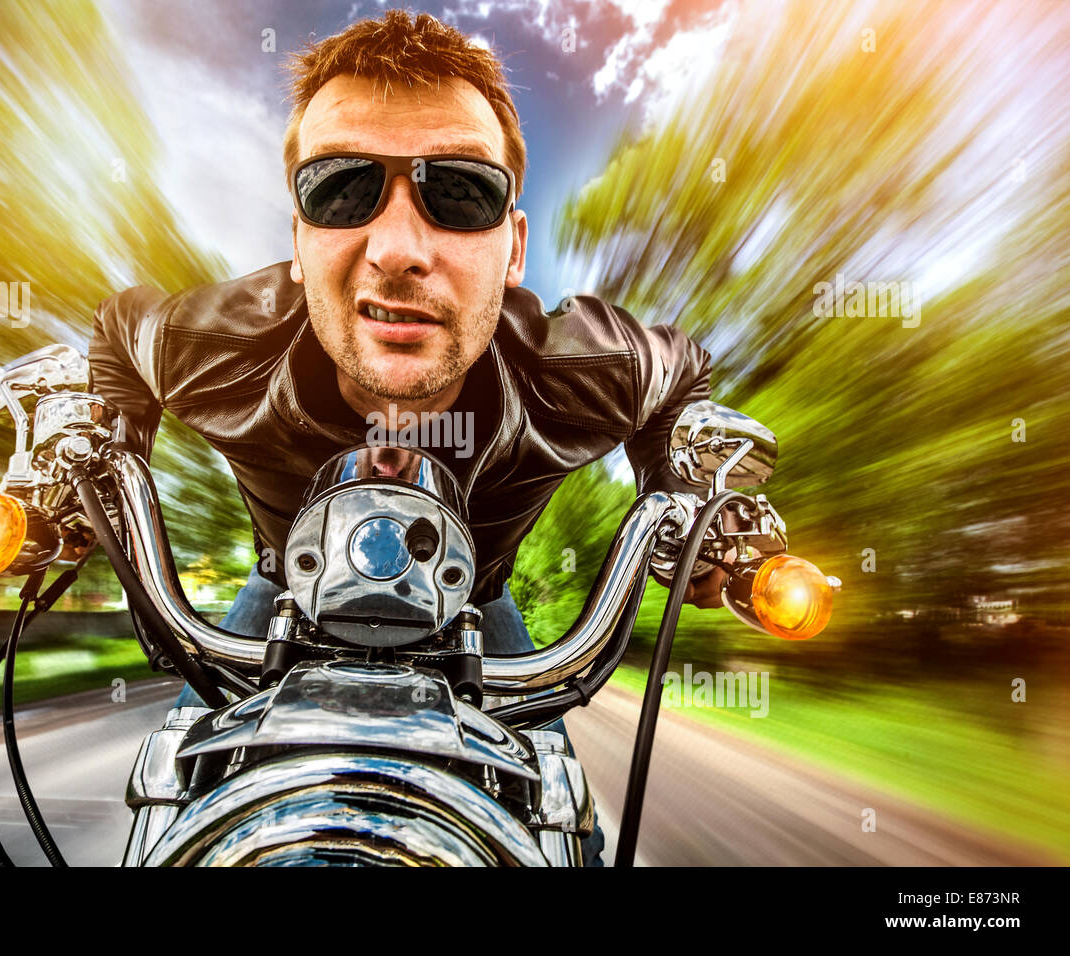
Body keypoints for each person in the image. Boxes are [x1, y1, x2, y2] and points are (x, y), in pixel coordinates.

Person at [89, 9, 725, 867]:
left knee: (558, 813)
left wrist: (688, 504)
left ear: (514, 248)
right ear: (297, 237)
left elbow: (682, 376)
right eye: (341, 189)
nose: (396, 248)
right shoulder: (207, 347)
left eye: (460, 193)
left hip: (479, 602)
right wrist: (103, 452)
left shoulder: (591, 369)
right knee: (178, 770)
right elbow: (118, 331)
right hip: (284, 590)